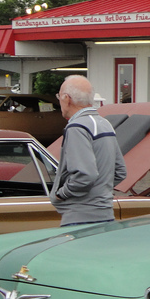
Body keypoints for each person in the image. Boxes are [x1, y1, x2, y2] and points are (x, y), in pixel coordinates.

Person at [51, 75, 126, 226]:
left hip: (79, 216)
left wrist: (61, 194)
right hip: (105, 213)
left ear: (66, 98)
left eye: (59, 96)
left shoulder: (76, 128)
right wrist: (100, 191)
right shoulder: (105, 124)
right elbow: (120, 172)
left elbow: (85, 175)